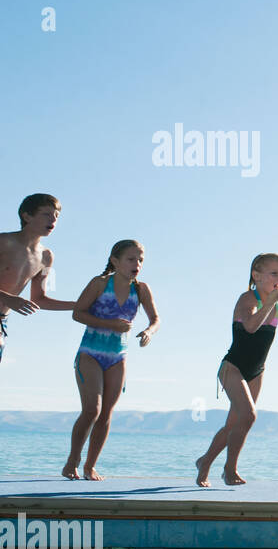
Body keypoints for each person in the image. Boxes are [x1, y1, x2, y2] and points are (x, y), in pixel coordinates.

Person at [196, 253, 278, 486]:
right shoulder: (248, 299)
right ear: (256, 276)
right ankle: (229, 469)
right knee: (249, 415)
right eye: (274, 273)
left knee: (236, 424)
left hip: (256, 371)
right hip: (232, 367)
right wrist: (270, 302)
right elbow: (251, 327)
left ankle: (205, 462)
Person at [64, 240, 161, 480]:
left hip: (118, 356)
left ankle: (90, 466)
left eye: (140, 260)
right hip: (90, 353)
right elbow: (78, 313)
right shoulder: (99, 283)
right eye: (131, 259)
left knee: (106, 413)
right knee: (92, 410)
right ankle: (72, 461)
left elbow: (156, 319)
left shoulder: (141, 289)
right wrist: (110, 324)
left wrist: (149, 331)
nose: (136, 264)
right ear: (115, 261)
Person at [0, 194, 79, 364]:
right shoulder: (3, 241)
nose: (53, 219)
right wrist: (6, 297)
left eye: (57, 216)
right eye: (46, 214)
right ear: (27, 216)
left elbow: (40, 299)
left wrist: (81, 305)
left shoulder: (46, 257)